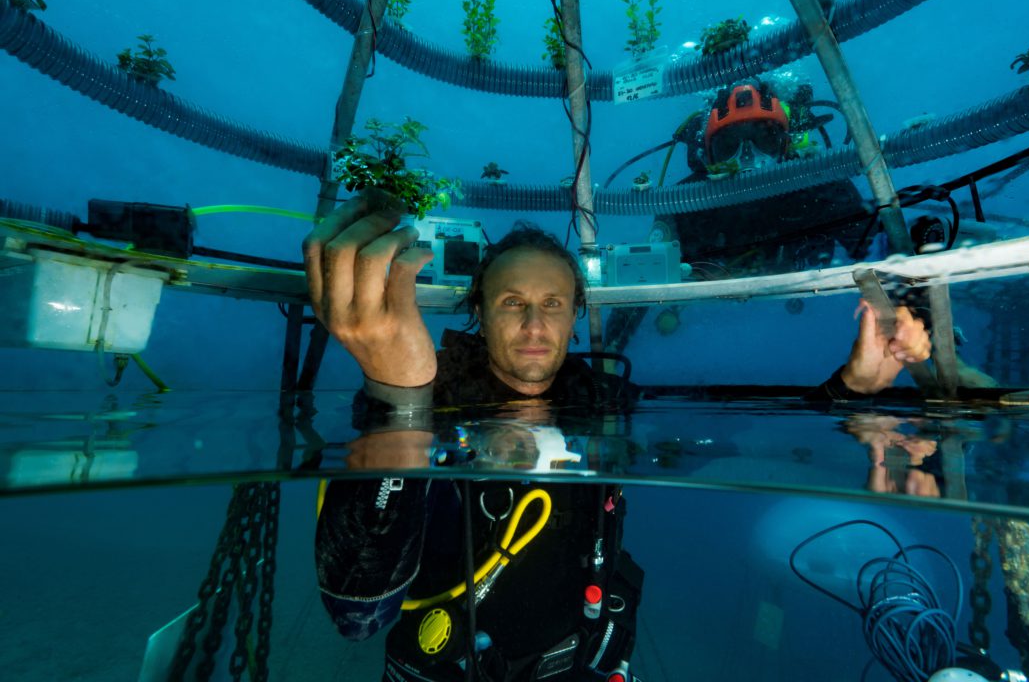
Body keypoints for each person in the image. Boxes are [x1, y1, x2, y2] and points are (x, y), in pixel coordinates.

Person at [302, 192, 930, 681]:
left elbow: (739, 429)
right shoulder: (422, 398)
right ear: (479, 312)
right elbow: (357, 614)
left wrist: (853, 388)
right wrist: (399, 393)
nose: (532, 322)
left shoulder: (602, 402)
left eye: (552, 303)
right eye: (511, 302)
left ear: (576, 316)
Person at [604, 78, 879, 352]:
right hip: (711, 289)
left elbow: (877, 243)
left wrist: (919, 235)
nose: (748, 158)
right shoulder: (685, 204)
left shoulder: (818, 186)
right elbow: (640, 282)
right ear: (708, 154)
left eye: (763, 139)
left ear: (785, 144)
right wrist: (608, 356)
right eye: (729, 146)